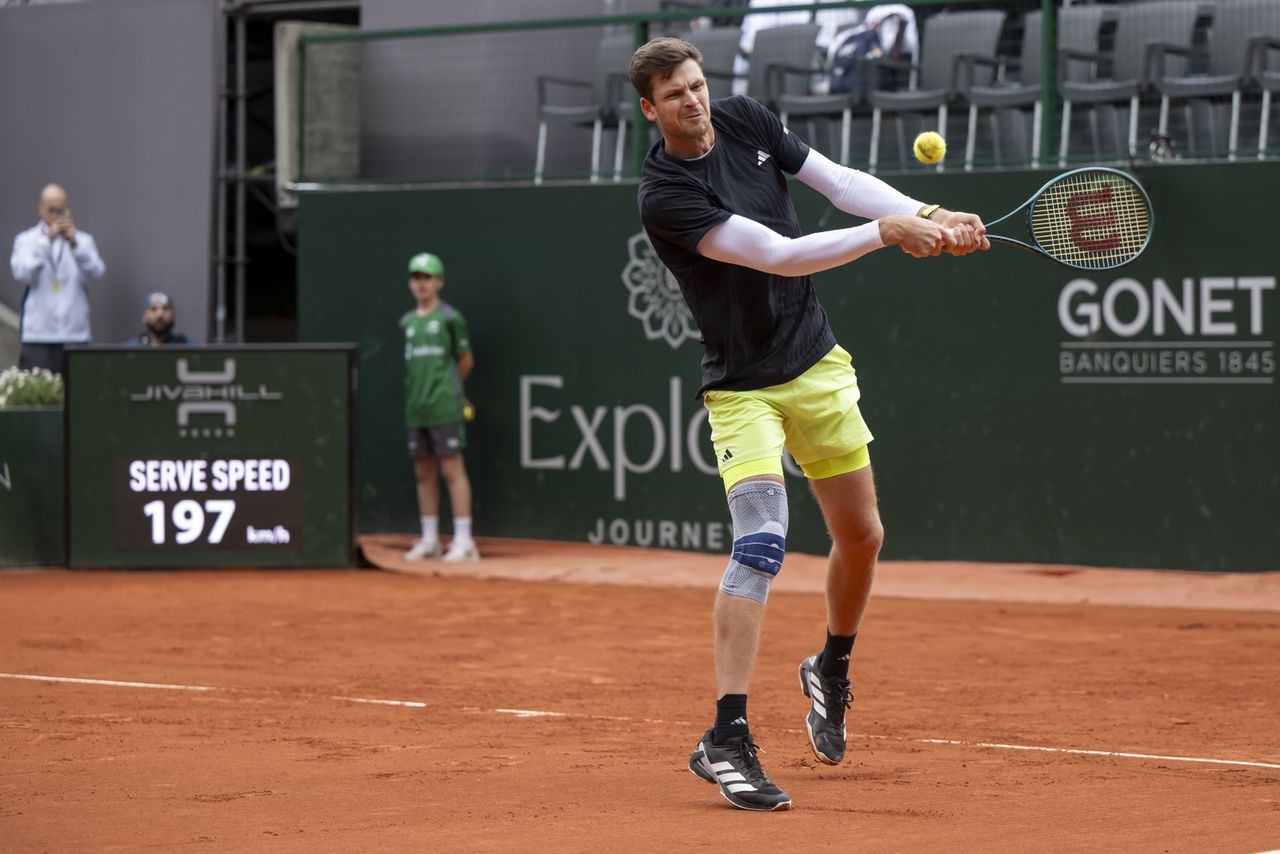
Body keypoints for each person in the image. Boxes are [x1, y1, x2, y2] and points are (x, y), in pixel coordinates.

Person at [629, 37, 988, 812]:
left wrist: (919, 210)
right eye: (676, 94)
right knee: (760, 543)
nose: (694, 101)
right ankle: (726, 734)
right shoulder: (664, 194)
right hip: (743, 388)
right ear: (650, 109)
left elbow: (838, 181)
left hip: (815, 363)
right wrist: (889, 234)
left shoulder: (747, 120)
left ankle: (831, 665)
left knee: (862, 535)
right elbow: (777, 255)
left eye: (697, 85)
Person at [400, 252, 480, 564]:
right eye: (416, 278)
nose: (421, 284)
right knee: (423, 471)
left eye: (427, 278)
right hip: (415, 408)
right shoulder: (407, 323)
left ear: (439, 282)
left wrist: (451, 392)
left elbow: (465, 361)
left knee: (451, 469)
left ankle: (464, 541)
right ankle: (430, 539)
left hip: (445, 406)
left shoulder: (450, 319)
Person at [9, 184, 106, 376]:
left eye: (61, 210)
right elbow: (22, 273)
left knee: (77, 393)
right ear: (40, 208)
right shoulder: (27, 240)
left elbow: (98, 273)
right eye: (51, 209)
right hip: (39, 334)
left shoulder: (83, 240)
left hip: (74, 333)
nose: (56, 215)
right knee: (39, 396)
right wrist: (47, 243)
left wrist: (75, 245)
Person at [125, 292, 195, 346]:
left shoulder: (186, 347)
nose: (160, 314)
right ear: (144, 316)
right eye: (153, 309)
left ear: (173, 315)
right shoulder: (132, 348)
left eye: (165, 308)